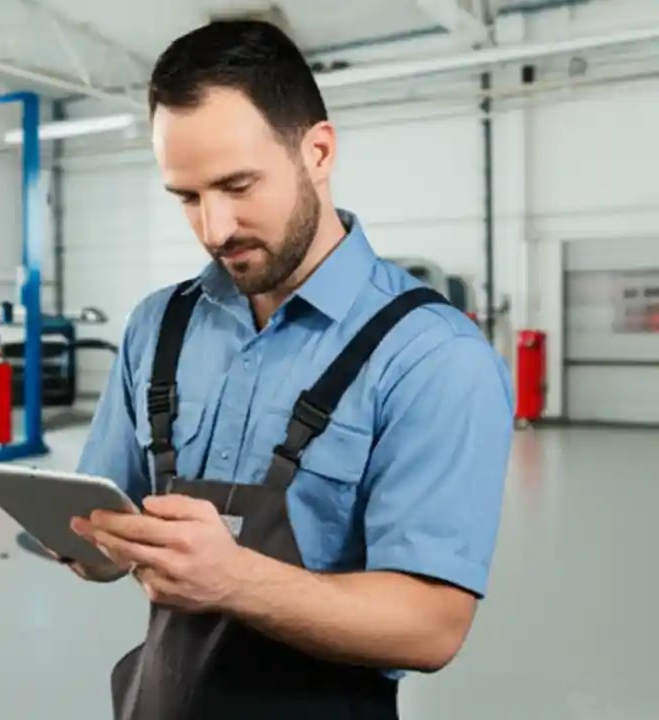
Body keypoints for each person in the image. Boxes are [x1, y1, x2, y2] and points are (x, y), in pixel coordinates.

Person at [67, 19, 514, 720]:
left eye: (238, 184)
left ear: (318, 151)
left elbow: (432, 627)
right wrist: (93, 546)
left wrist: (232, 578)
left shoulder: (434, 358)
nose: (215, 228)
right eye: (187, 197)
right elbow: (107, 526)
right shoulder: (159, 325)